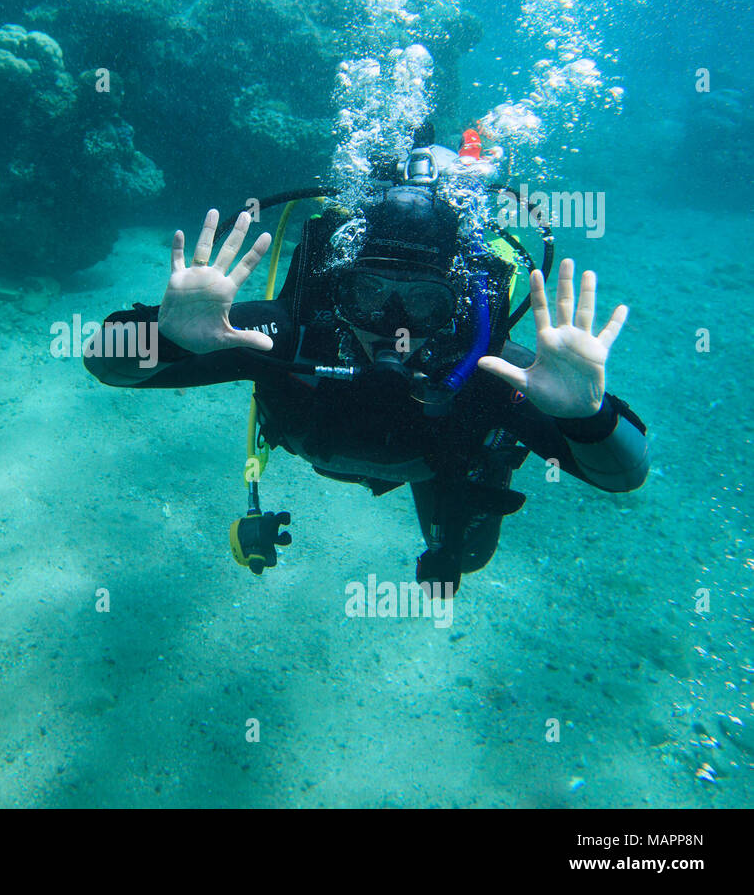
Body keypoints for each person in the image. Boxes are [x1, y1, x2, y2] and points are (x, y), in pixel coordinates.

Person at [82, 130, 649, 594]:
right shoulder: (283, 337)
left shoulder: (495, 373)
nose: (392, 325)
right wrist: (168, 335)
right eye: (369, 295)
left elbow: (626, 476)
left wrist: (585, 417)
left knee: (467, 557)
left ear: (455, 310)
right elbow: (103, 360)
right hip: (373, 445)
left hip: (439, 465)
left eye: (424, 302)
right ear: (336, 291)